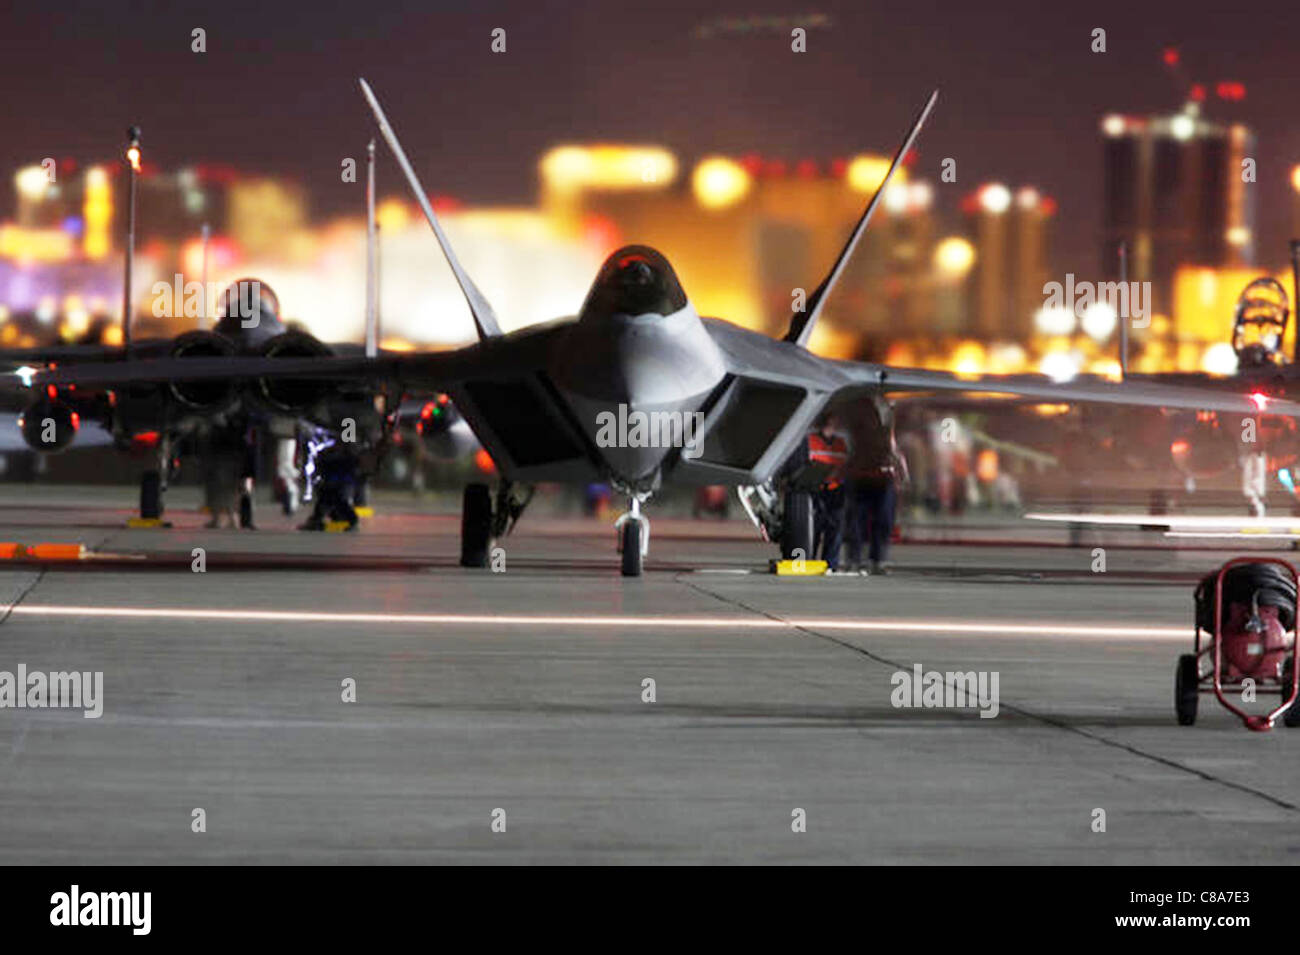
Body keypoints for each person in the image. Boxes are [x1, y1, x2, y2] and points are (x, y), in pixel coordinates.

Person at [842, 395, 908, 575]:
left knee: (883, 521)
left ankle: (877, 559)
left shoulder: (890, 415)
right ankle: (855, 559)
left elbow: (894, 447)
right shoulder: (857, 411)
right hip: (860, 474)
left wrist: (901, 473)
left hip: (883, 476)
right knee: (856, 521)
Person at [808, 414, 849, 573]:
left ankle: (830, 564)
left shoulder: (840, 443)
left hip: (835, 490)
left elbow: (845, 466)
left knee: (834, 528)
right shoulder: (811, 440)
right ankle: (808, 560)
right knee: (814, 529)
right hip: (816, 489)